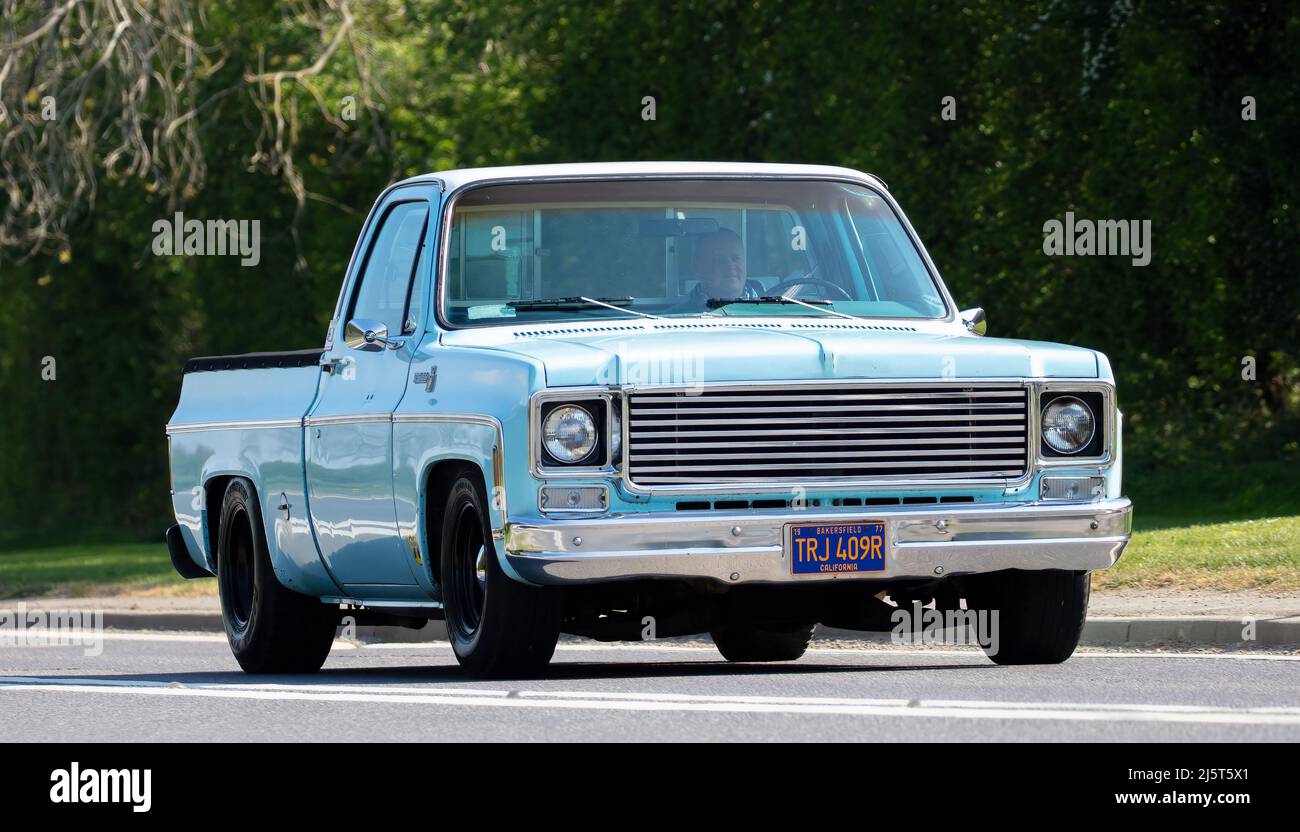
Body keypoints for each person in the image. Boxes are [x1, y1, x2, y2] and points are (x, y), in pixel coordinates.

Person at [682, 228, 763, 307]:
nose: (730, 266)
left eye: (736, 258)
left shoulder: (772, 311)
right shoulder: (676, 318)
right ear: (697, 268)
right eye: (720, 260)